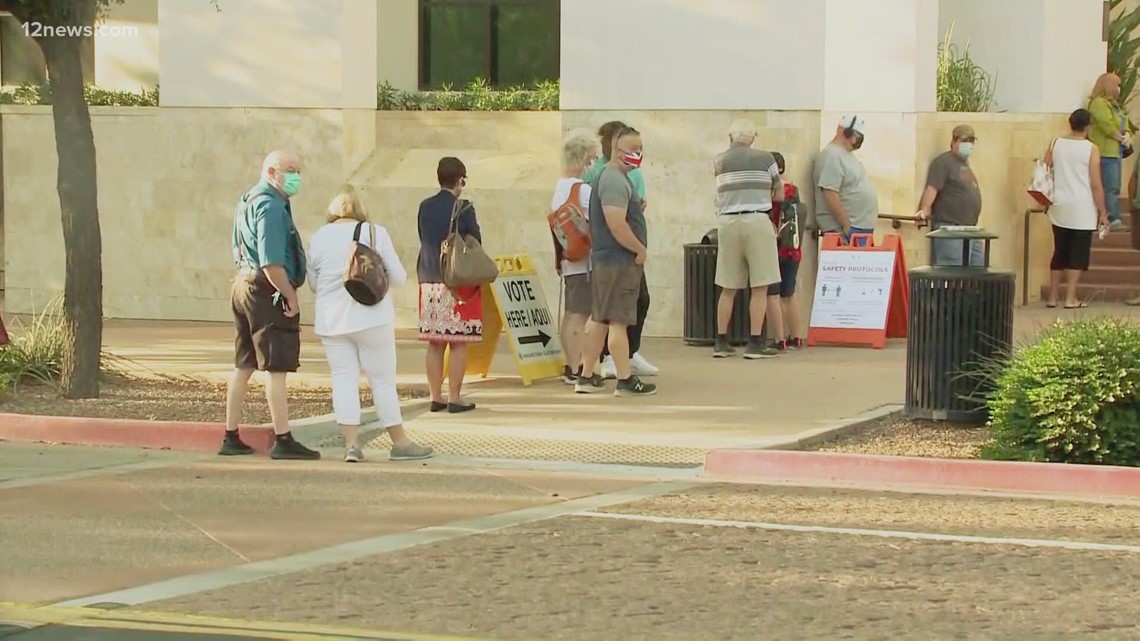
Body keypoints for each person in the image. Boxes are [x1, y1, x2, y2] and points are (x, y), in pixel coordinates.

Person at [307, 185, 433, 463]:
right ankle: (399, 443)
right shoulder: (375, 232)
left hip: (332, 322)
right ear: (360, 209)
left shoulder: (318, 237)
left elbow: (314, 284)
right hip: (372, 317)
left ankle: (352, 445)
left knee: (343, 380)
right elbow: (398, 278)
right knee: (383, 381)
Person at [219, 149, 320, 460]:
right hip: (265, 290)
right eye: (290, 170)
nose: (296, 177)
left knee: (245, 363)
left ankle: (231, 435)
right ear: (272, 172)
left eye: (298, 170)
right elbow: (272, 262)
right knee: (276, 365)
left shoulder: (247, 199)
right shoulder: (272, 207)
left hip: (242, 285)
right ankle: (283, 438)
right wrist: (289, 294)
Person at [574, 127, 657, 397]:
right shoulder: (613, 180)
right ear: (618, 151)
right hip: (617, 261)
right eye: (634, 149)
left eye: (640, 148)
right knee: (618, 321)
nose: (638, 154)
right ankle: (624, 379)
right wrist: (639, 249)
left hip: (606, 260)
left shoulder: (614, 178)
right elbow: (616, 222)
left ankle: (586, 376)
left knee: (600, 319)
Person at [711, 119, 782, 359]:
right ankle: (754, 343)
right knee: (760, 286)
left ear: (730, 137)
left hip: (728, 222)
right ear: (752, 138)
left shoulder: (719, 160)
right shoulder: (765, 158)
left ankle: (721, 342)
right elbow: (779, 191)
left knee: (728, 286)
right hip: (757, 220)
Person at [417, 157, 481, 414]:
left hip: (428, 277)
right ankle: (455, 397)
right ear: (461, 179)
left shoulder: (424, 206)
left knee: (435, 342)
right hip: (455, 281)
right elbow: (475, 240)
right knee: (457, 341)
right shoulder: (463, 208)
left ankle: (436, 396)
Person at [1045, 109, 1108, 309]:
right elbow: (1096, 183)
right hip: (1082, 206)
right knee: (1078, 253)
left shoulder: (1056, 143)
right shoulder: (1091, 148)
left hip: (1058, 204)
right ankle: (1070, 297)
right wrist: (1103, 212)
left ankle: (1053, 297)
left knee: (1060, 251)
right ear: (1088, 126)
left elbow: (1046, 168)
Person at [550, 130, 600, 384]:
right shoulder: (582, 190)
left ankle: (571, 364)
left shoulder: (560, 187)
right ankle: (578, 366)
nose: (592, 165)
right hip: (584, 260)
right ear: (582, 159)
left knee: (571, 314)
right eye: (591, 159)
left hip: (568, 257)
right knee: (580, 315)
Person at [916, 124, 985, 266]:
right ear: (954, 142)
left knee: (979, 274)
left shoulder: (964, 164)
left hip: (970, 230)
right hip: (950, 231)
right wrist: (924, 210)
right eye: (964, 140)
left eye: (971, 141)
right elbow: (932, 189)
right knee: (953, 273)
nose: (969, 144)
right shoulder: (943, 162)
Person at [814, 115, 879, 247]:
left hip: (858, 228)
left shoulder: (845, 155)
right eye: (858, 136)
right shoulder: (832, 155)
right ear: (847, 132)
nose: (859, 142)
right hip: (846, 230)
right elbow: (830, 193)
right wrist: (846, 226)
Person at [765, 152, 805, 352]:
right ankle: (796, 337)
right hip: (794, 249)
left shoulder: (772, 192)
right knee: (789, 294)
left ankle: (779, 339)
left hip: (775, 248)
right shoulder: (794, 190)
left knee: (772, 294)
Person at [1087, 72, 1132, 232]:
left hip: (1115, 152)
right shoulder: (1098, 103)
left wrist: (1126, 133)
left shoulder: (1114, 104)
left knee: (1114, 186)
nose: (1119, 89)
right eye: (1117, 85)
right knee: (1109, 186)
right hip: (1104, 152)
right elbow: (1106, 124)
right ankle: (1112, 218)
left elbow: (1124, 120)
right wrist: (1120, 138)